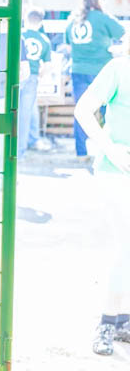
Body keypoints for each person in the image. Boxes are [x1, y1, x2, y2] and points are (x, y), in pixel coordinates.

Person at [75, 54, 130, 355]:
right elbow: (83, 110)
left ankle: (122, 320)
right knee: (126, 245)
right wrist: (111, 150)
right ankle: (108, 322)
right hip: (117, 170)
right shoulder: (119, 68)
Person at [65, 0, 126, 159]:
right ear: (97, 1)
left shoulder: (73, 20)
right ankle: (110, 151)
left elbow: (68, 47)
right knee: (109, 112)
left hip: (78, 71)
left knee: (82, 110)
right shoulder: (103, 18)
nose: (105, 2)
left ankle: (81, 152)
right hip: (102, 71)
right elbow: (123, 34)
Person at [19, 7, 52, 155]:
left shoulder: (19, 34)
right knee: (26, 114)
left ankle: (8, 146)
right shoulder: (44, 40)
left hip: (15, 75)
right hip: (31, 76)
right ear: (40, 23)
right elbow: (47, 66)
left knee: (9, 110)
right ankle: (20, 150)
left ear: (25, 19)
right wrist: (39, 75)